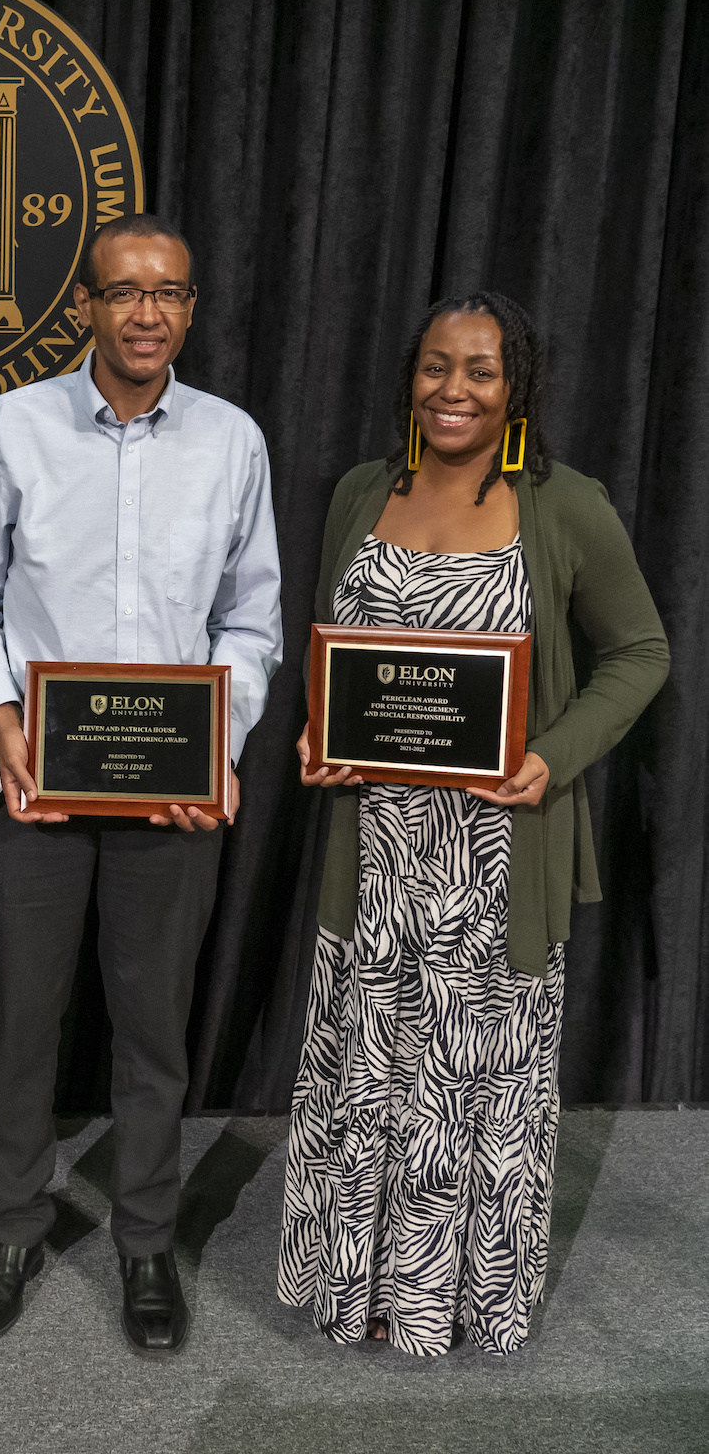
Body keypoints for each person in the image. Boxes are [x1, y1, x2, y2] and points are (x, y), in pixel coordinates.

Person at [278, 292, 669, 1357]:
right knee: (368, 1070)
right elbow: (333, 651)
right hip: (379, 849)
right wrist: (319, 731)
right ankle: (357, 1292)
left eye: (482, 371)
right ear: (411, 376)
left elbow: (642, 652)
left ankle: (455, 1302)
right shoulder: (363, 493)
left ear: (518, 388)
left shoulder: (564, 505)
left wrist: (553, 758)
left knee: (468, 1086)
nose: (454, 389)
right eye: (437, 366)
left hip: (497, 858)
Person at [0, 213, 283, 1353]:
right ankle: (13, 1226)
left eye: (167, 293)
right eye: (123, 292)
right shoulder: (17, 425)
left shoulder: (233, 441)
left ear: (189, 308)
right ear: (84, 305)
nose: (145, 312)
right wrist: (6, 719)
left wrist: (217, 748)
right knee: (23, 1023)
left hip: (176, 798)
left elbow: (252, 618)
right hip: (36, 788)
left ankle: (143, 1246)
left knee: (153, 1031)